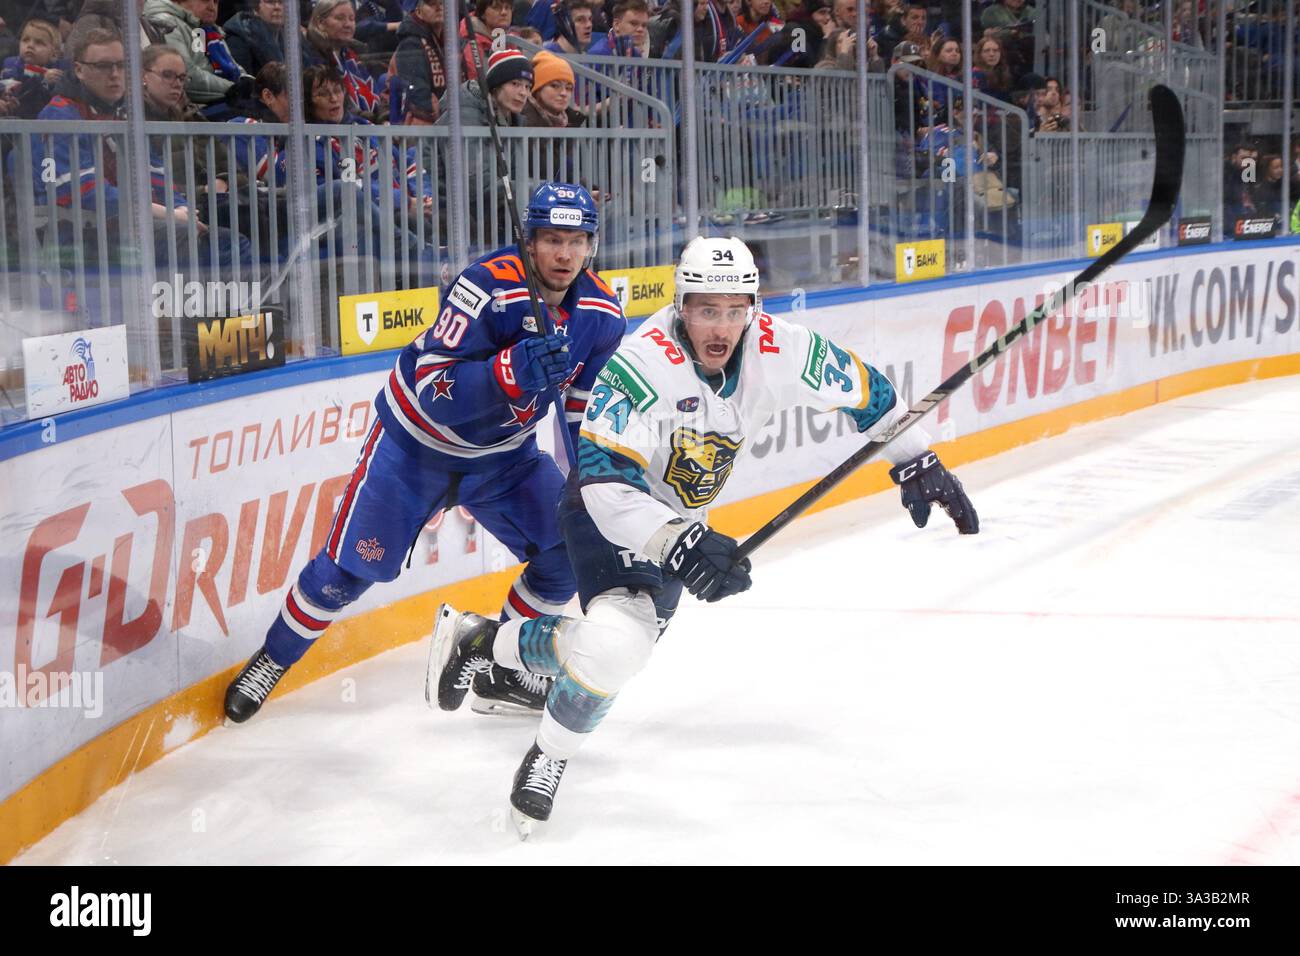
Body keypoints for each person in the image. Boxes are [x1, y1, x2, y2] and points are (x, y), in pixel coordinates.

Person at [430, 236, 979, 835]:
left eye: (734, 310)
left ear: (754, 308)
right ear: (680, 305)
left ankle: (482, 643)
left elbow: (867, 391)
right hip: (609, 511)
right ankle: (548, 758)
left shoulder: (781, 348)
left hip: (679, 524)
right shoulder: (641, 364)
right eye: (705, 309)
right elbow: (607, 487)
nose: (720, 327)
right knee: (617, 649)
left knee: (606, 649)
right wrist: (678, 543)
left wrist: (915, 459)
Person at [225, 183, 629, 724]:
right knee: (343, 576)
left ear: (591, 246)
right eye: (551, 239)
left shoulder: (602, 314)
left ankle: (498, 671)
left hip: (507, 458)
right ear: (528, 242)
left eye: (576, 241)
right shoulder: (484, 286)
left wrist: (588, 481)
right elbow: (435, 386)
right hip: (417, 449)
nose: (564, 254)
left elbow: (579, 408)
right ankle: (272, 659)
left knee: (568, 555)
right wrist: (507, 372)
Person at [143, 0, 253, 113]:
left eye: (216, 2)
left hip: (224, 103)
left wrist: (251, 85)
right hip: (196, 110)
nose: (212, 7)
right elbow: (187, 75)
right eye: (205, 0)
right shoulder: (168, 23)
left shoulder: (211, 31)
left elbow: (234, 67)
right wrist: (232, 88)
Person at [389, 0, 447, 124]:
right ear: (418, 12)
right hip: (422, 126)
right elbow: (418, 95)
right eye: (432, 4)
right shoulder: (410, 44)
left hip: (445, 122)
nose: (439, 8)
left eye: (443, 3)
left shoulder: (449, 42)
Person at [0, 17, 66, 117]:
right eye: (25, 40)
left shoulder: (59, 71)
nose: (30, 45)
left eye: (39, 42)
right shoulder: (12, 66)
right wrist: (41, 80)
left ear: (54, 53)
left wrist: (49, 84)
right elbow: (18, 91)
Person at [223, 0, 285, 77]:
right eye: (270, 2)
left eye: (281, 2)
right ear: (256, 6)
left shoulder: (290, 38)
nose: (277, 7)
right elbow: (244, 81)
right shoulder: (240, 37)